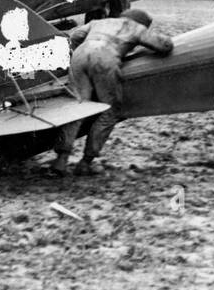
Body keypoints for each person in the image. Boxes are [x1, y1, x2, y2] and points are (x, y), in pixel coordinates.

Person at [51, 9, 174, 175]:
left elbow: (74, 36)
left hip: (80, 55)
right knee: (110, 111)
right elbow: (164, 46)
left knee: (77, 108)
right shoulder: (137, 28)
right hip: (105, 57)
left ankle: (61, 160)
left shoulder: (99, 22)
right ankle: (85, 162)